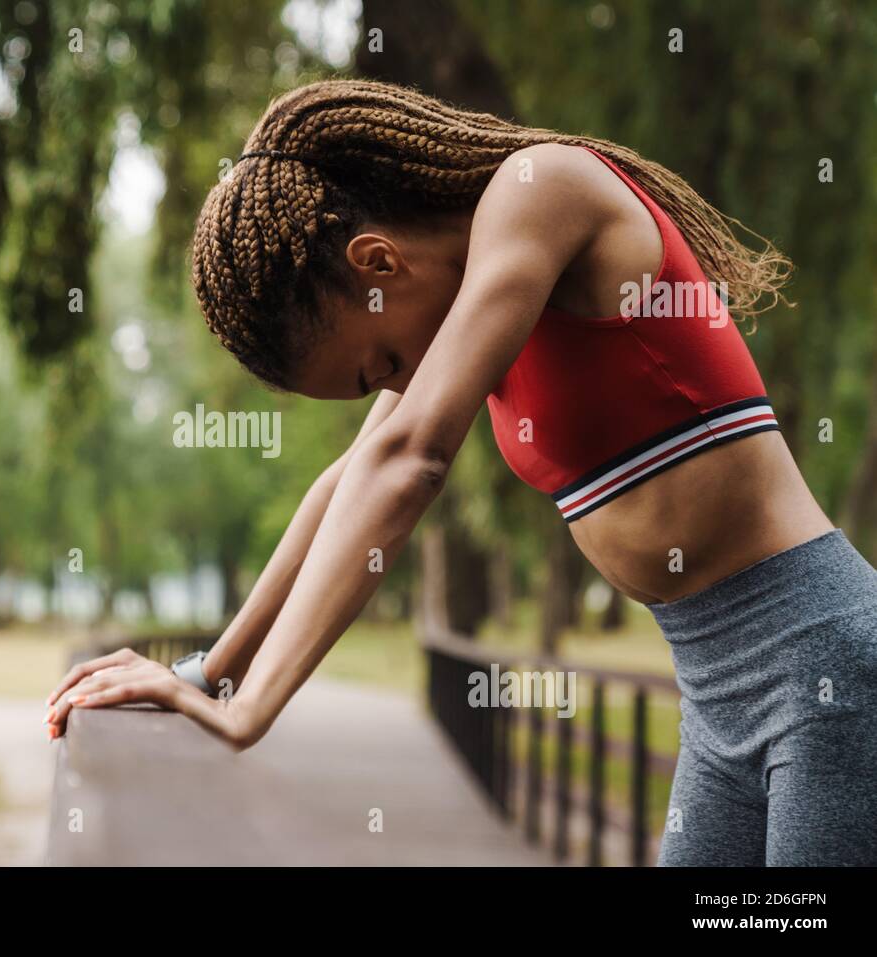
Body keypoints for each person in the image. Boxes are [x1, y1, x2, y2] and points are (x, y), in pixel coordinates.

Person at [45, 80, 877, 865]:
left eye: (380, 367)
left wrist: (250, 711)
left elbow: (412, 461)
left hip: (817, 663)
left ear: (377, 262)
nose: (399, 389)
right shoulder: (471, 305)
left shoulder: (539, 194)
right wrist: (209, 672)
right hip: (710, 688)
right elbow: (354, 475)